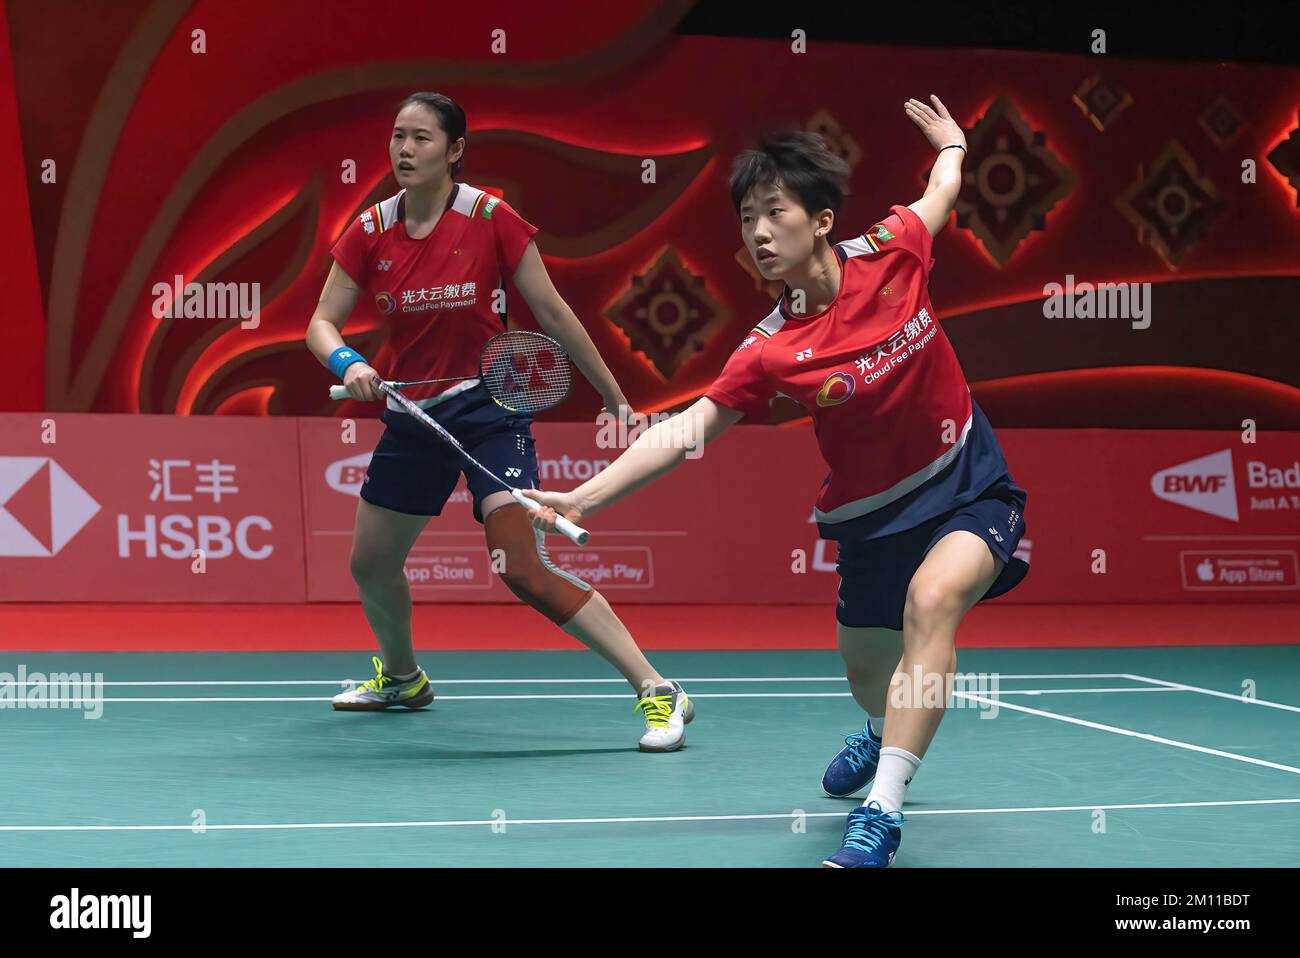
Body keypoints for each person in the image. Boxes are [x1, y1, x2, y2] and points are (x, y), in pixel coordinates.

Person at [524, 96, 1029, 864]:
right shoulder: (770, 350)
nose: (758, 233)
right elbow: (689, 429)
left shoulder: (895, 248)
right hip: (871, 522)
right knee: (874, 682)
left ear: (821, 219)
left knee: (935, 603)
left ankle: (882, 812)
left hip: (968, 480)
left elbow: (942, 189)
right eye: (747, 220)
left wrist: (956, 144)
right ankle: (879, 728)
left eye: (774, 213)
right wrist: (584, 495)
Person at [305, 92, 694, 752]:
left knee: (520, 567)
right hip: (413, 412)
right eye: (398, 137)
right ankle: (403, 680)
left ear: (454, 150)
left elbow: (555, 313)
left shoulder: (490, 218)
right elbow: (320, 323)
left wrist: (613, 394)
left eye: (422, 139)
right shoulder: (371, 228)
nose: (404, 150)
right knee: (370, 564)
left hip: (488, 410)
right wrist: (349, 361)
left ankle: (659, 689)